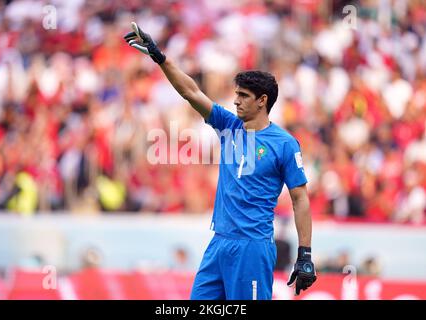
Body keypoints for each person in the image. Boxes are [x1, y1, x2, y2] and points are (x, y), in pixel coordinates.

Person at [124, 22, 316, 300]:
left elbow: (300, 199)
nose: (235, 101)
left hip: (253, 247)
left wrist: (305, 253)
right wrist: (160, 58)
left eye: (243, 96)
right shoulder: (229, 126)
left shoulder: (284, 144)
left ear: (262, 101)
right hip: (220, 243)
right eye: (236, 94)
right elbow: (190, 92)